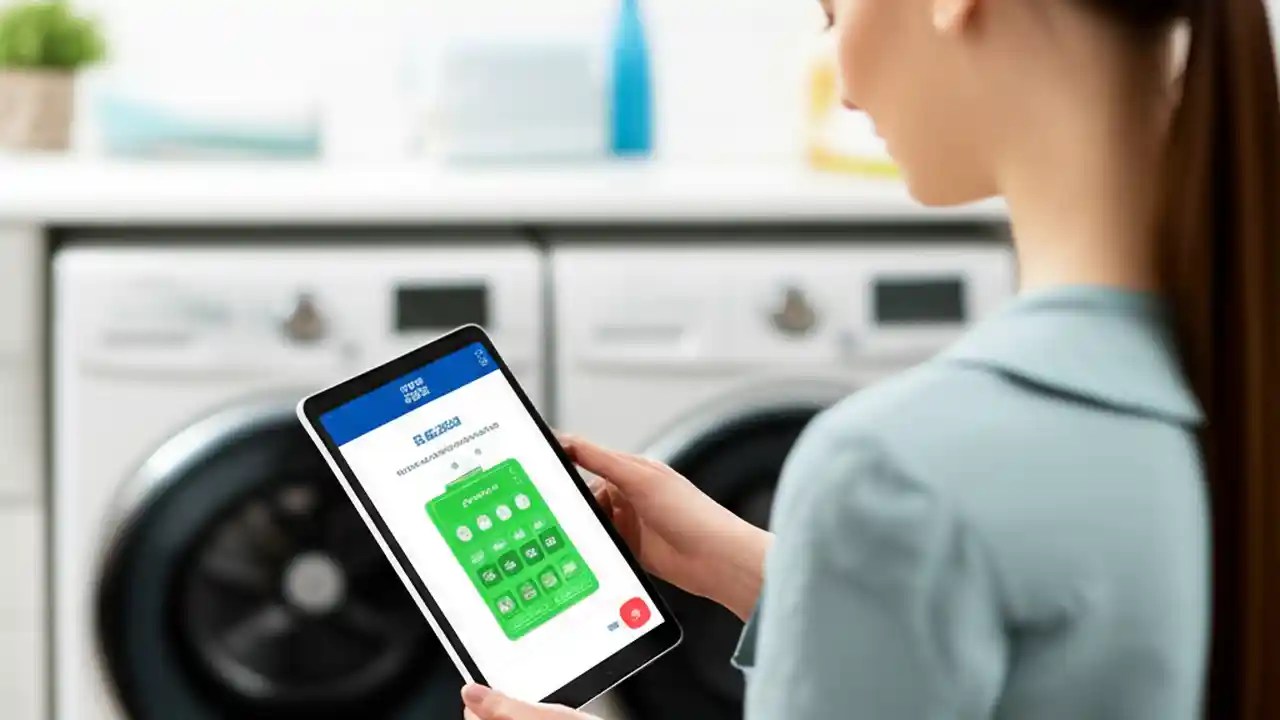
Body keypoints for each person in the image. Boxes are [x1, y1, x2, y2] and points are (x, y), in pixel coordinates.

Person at [461, 0, 1280, 717]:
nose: (844, 85)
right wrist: (760, 566)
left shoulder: (895, 469)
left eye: (830, 13)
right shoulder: (1233, 385)